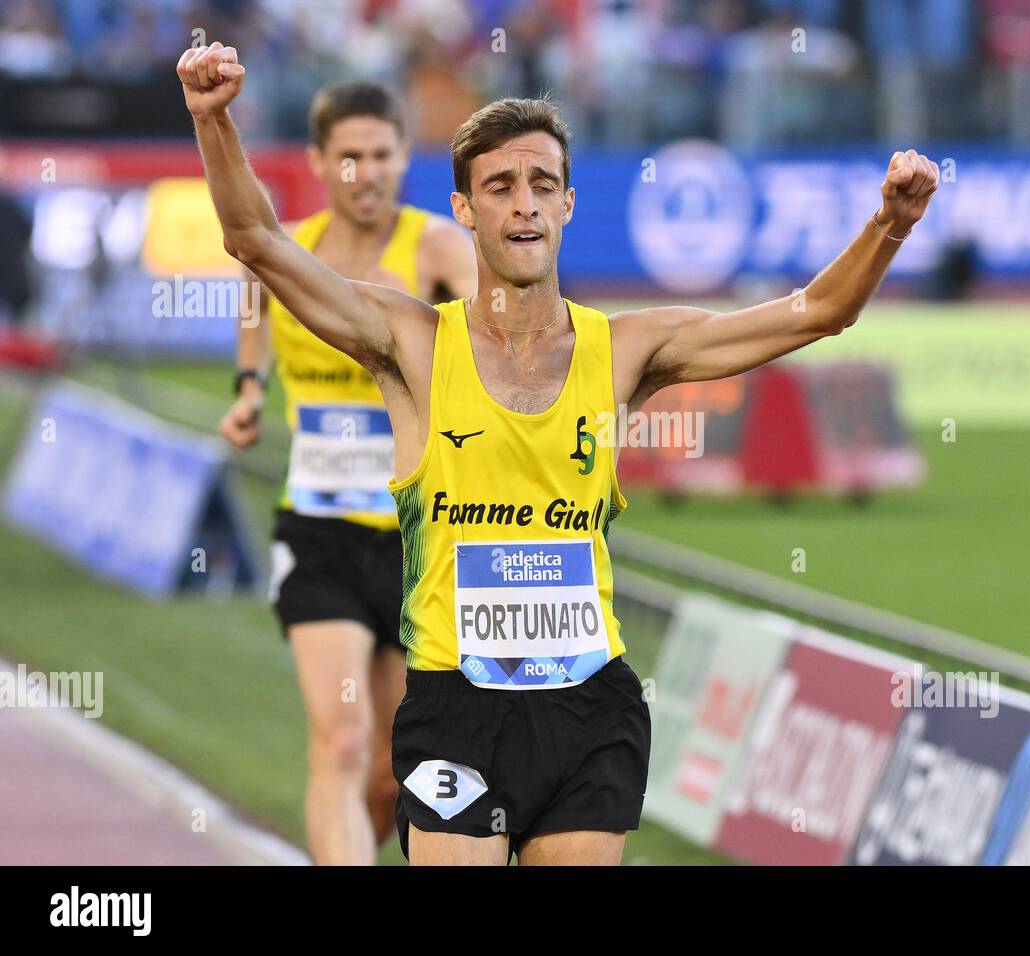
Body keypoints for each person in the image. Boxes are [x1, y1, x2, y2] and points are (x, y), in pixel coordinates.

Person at [180, 40, 938, 866]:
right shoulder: (412, 343)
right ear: (464, 210)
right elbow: (255, 238)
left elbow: (816, 312)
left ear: (570, 204)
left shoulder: (626, 349)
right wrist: (213, 119)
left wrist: (888, 226)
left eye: (543, 184)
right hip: (455, 706)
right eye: (500, 187)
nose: (524, 205)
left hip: (587, 708)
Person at [215, 77, 476, 865]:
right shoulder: (291, 249)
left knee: (391, 773)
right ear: (320, 163)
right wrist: (250, 388)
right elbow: (254, 295)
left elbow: (494, 345)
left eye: (384, 155)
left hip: (411, 543)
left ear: (405, 158)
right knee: (340, 738)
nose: (369, 173)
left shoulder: (434, 249)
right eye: (351, 158)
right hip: (319, 529)